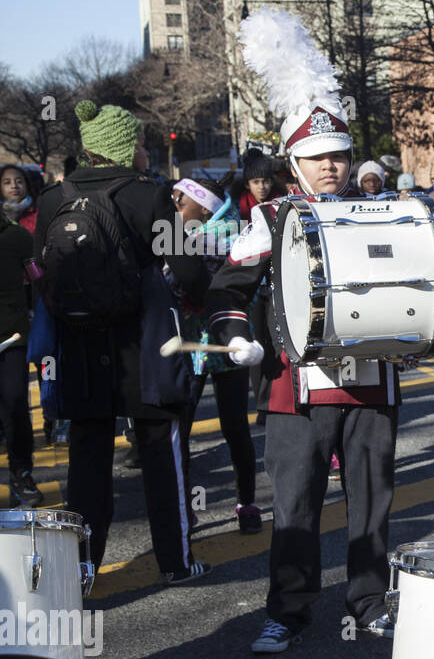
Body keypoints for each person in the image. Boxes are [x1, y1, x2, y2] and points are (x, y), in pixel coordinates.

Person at [207, 9, 434, 653]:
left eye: (337, 155)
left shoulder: (385, 211)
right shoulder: (271, 219)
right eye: (316, 157)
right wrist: (239, 335)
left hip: (372, 380)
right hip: (297, 387)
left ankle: (369, 599)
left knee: (374, 499)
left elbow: (432, 285)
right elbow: (227, 287)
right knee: (296, 503)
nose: (330, 166)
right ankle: (289, 609)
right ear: (295, 163)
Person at [32, 101, 208, 584]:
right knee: (160, 448)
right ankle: (175, 562)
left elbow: (39, 272)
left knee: (88, 456)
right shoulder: (148, 196)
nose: (144, 149)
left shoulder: (52, 199)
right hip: (144, 342)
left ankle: (81, 568)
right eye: (138, 141)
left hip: (79, 343)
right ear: (120, 146)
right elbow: (190, 269)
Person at [170, 177, 261, 534]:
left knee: (235, 425)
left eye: (180, 203)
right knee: (182, 428)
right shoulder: (175, 236)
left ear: (205, 207)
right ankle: (185, 507)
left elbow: (249, 291)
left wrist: (214, 304)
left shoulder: (237, 235)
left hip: (227, 345)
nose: (173, 210)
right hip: (188, 345)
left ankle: (247, 503)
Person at [0, 188, 39, 505]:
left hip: (10, 339)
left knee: (15, 406)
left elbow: (38, 280)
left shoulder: (16, 238)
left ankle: (22, 473)